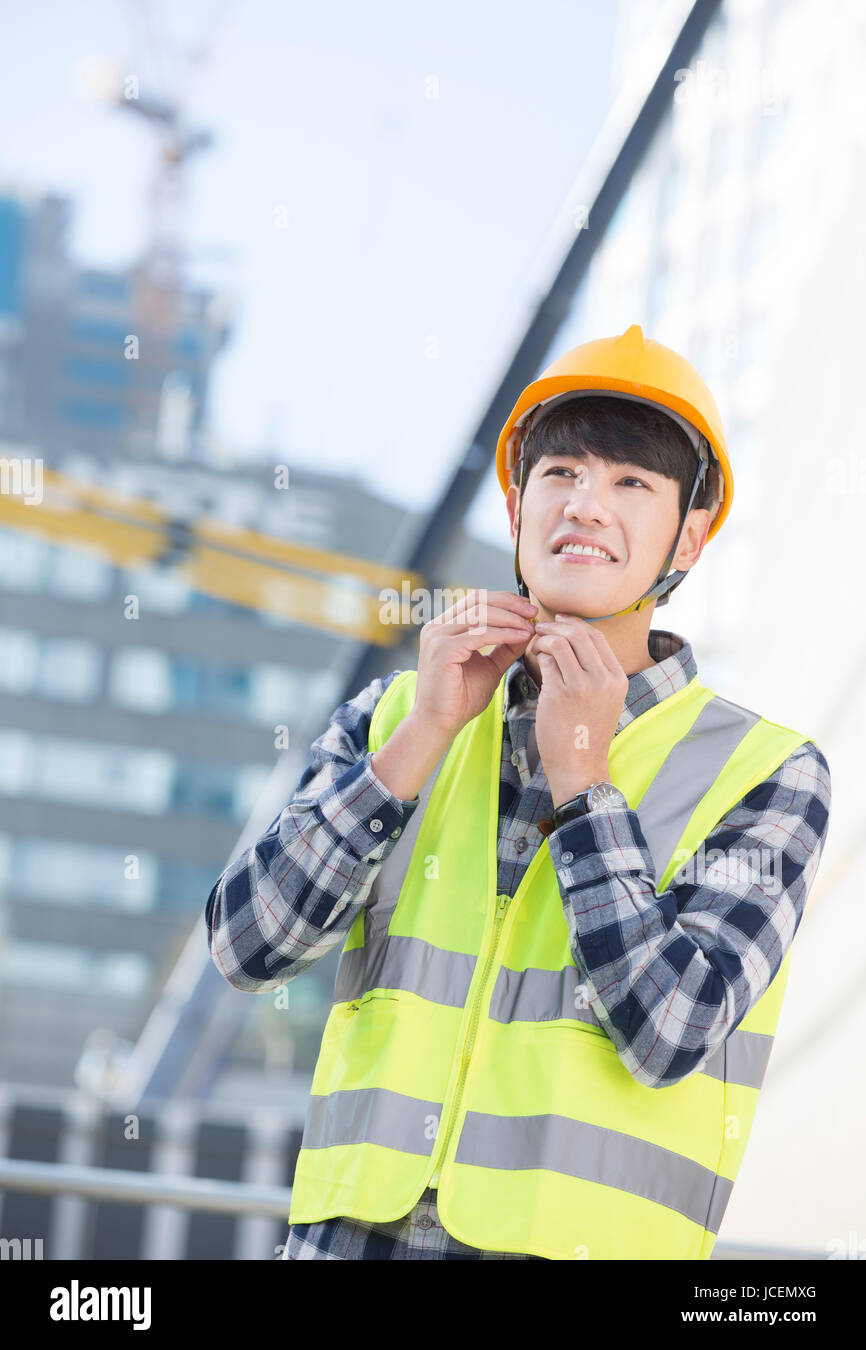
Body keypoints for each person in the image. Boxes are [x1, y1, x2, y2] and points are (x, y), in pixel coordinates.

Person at [205, 325, 831, 1260]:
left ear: (689, 537)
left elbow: (672, 1030)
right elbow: (244, 947)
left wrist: (584, 789)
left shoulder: (767, 772)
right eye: (562, 474)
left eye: (632, 484)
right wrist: (420, 739)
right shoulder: (395, 718)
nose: (587, 506)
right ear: (515, 505)